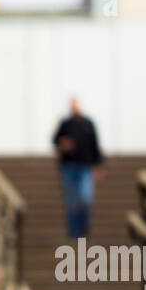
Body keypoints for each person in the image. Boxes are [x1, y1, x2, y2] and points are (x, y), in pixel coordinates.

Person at [51, 98, 103, 239]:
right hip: (69, 166)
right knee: (72, 201)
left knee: (86, 198)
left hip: (85, 166)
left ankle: (84, 228)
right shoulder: (65, 124)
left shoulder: (88, 124)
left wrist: (98, 164)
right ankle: (74, 232)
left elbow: (95, 144)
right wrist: (63, 143)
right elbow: (55, 140)